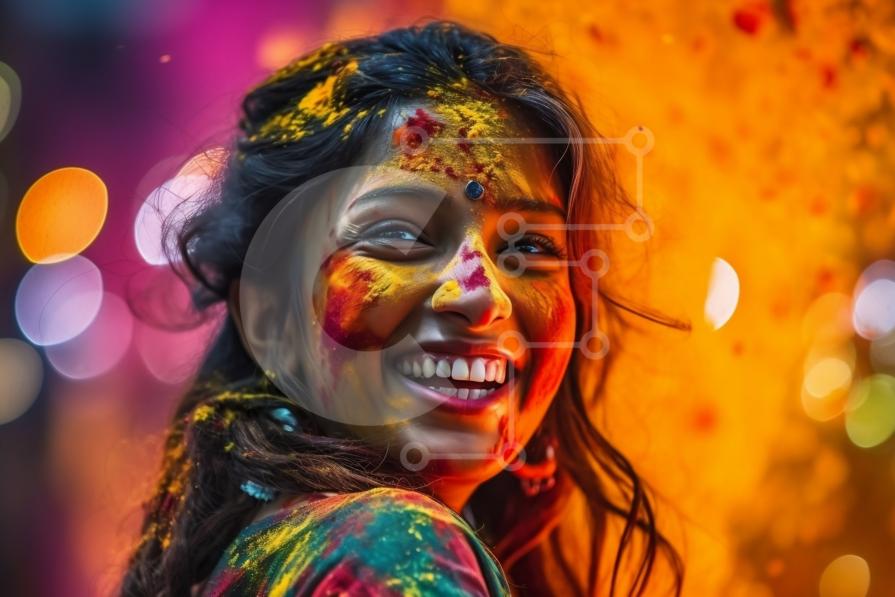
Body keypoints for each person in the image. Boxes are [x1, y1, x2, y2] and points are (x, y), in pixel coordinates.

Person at [122, 20, 685, 597]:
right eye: (401, 235)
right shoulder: (389, 549)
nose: (480, 294)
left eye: (529, 247)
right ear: (268, 314)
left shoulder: (266, 552)